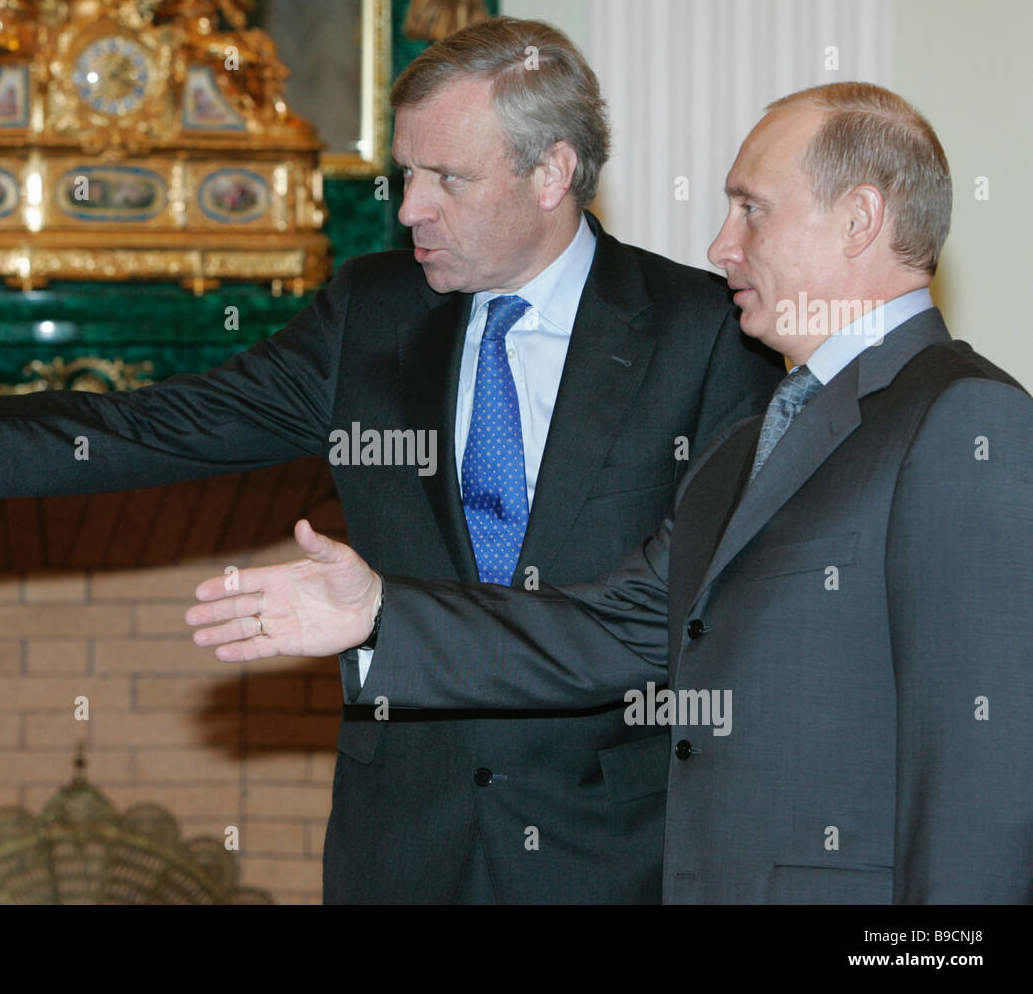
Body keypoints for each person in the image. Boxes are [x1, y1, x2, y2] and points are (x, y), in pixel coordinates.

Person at [0, 18, 780, 903]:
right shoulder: (373, 313)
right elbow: (164, 424)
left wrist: (388, 614)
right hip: (397, 844)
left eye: (444, 179)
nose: (410, 207)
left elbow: (675, 621)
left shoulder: (704, 335)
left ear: (550, 171)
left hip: (611, 849)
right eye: (403, 172)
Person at [186, 81, 1033, 903]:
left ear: (860, 220)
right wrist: (378, 615)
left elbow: (985, 773)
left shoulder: (962, 417)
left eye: (752, 210)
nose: (720, 247)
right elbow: (605, 628)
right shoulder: (754, 440)